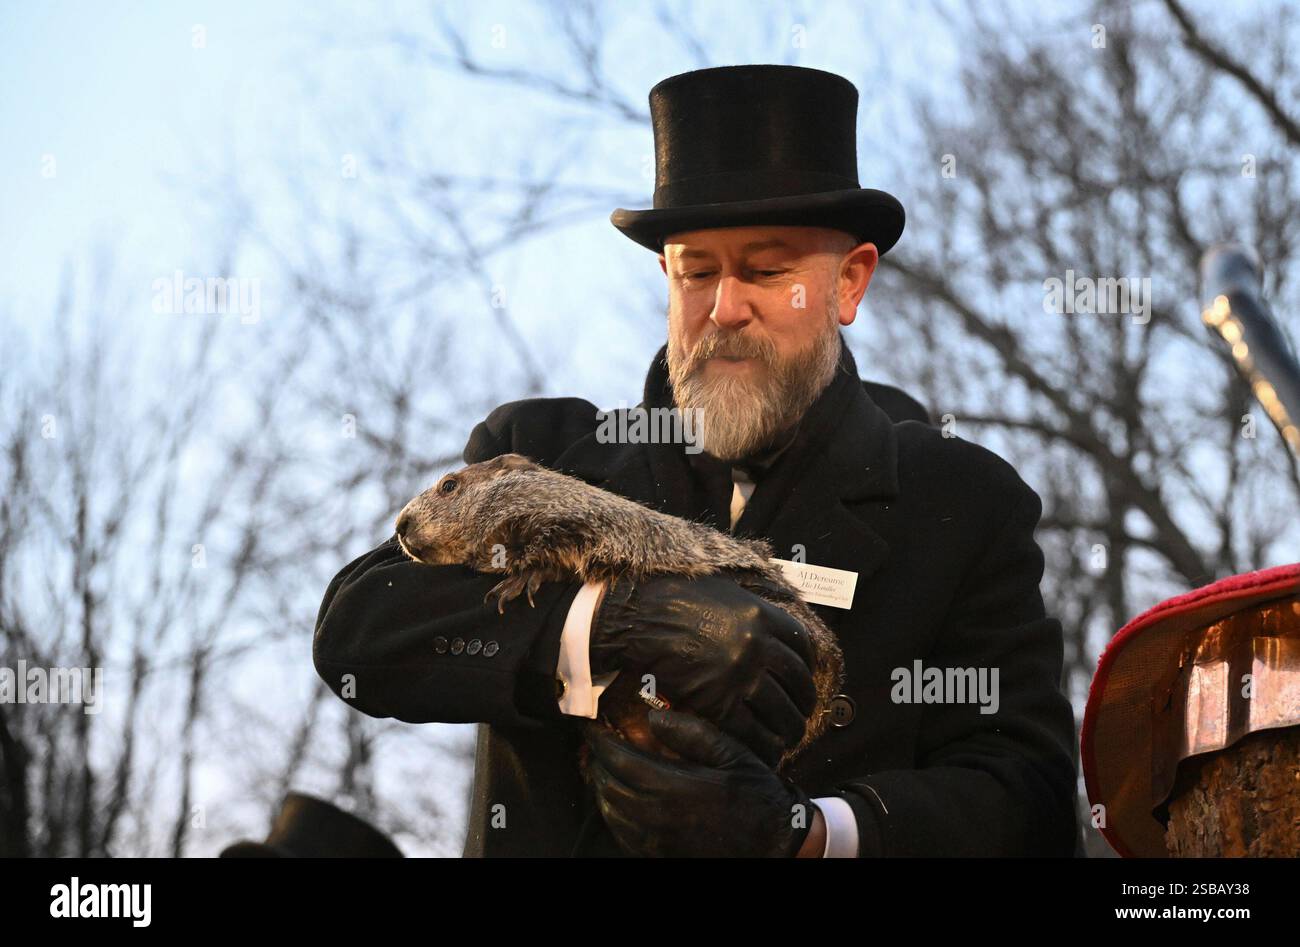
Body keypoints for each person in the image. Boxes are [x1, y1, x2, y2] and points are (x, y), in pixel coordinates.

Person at [313, 64, 1080, 857]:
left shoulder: (956, 501)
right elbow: (362, 637)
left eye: (767, 270)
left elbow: (1021, 795)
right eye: (698, 272)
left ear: (849, 282)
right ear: (666, 278)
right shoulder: (541, 453)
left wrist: (809, 834)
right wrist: (608, 620)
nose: (724, 308)